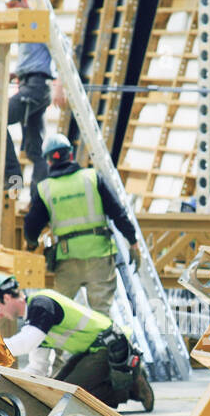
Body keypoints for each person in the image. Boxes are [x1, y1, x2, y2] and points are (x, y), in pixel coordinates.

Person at [0, 273, 153, 412]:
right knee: (56, 393)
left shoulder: (42, 304)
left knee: (69, 397)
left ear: (7, 298)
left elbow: (26, 343)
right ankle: (125, 383)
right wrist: (14, 386)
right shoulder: (33, 322)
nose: (0, 315)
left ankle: (131, 386)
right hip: (93, 351)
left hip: (110, 346)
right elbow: (38, 368)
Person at [24, 134, 141, 319]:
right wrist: (132, 241)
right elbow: (118, 213)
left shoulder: (45, 188)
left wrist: (31, 243)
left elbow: (31, 227)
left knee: (61, 315)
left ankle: (64, 348)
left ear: (48, 161)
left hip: (67, 258)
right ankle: (101, 347)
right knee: (101, 316)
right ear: (70, 155)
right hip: (99, 256)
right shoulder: (92, 178)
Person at [1, 0, 55, 198]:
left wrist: (59, 83)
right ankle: (37, 198)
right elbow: (34, 58)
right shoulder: (25, 25)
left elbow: (60, 50)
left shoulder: (37, 21)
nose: (10, 11)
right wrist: (18, 72)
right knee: (35, 149)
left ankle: (13, 182)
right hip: (31, 84)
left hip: (35, 87)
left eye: (13, 5)